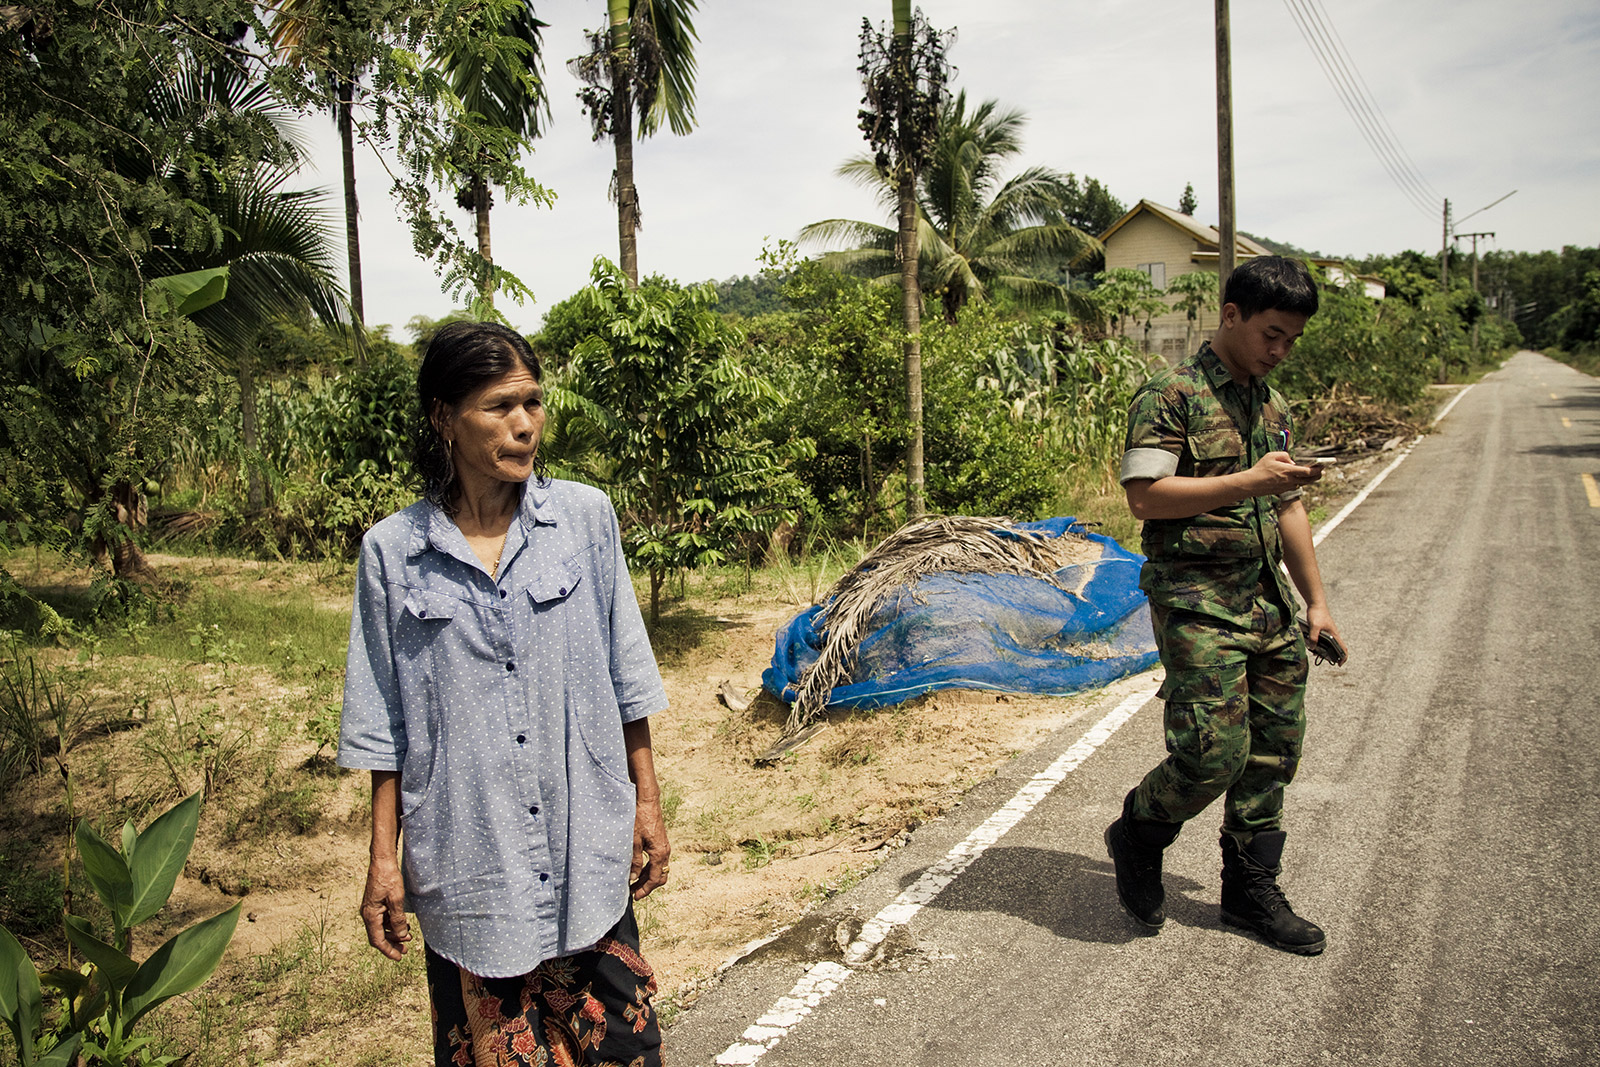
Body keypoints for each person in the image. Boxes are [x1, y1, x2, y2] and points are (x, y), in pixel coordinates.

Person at [337, 321, 671, 1065]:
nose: (525, 423)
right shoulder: (394, 554)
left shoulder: (584, 520)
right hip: (470, 860)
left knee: (622, 1049)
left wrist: (646, 801)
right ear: (442, 416)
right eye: (499, 406)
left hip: (586, 849)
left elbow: (627, 673)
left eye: (534, 402)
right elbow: (383, 722)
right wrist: (383, 861)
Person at [1105, 255, 1344, 956]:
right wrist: (1247, 481)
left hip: (1268, 604)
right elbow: (1145, 497)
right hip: (1197, 602)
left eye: (1292, 341)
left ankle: (1248, 892)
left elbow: (1289, 505)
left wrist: (1318, 602)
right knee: (1212, 754)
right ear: (1232, 314)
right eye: (1272, 334)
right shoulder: (1170, 395)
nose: (1280, 351)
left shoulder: (1272, 407)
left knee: (1273, 753)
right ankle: (1141, 830)